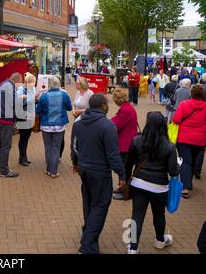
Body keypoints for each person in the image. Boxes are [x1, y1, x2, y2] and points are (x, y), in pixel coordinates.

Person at [70, 94, 126, 254]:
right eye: (107, 104)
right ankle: (87, 245)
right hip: (100, 172)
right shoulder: (108, 126)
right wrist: (121, 174)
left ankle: (89, 238)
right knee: (100, 205)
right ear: (103, 106)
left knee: (89, 203)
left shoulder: (79, 124)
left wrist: (75, 162)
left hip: (84, 169)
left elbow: (74, 146)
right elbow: (113, 154)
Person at [124, 111, 179, 254]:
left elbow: (128, 163)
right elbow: (173, 172)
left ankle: (133, 247)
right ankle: (160, 240)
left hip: (139, 183)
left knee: (137, 215)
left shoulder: (137, 140)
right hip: (159, 187)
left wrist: (125, 178)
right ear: (163, 126)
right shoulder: (169, 146)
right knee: (159, 215)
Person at [172, 84, 206, 198]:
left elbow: (176, 120)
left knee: (186, 161)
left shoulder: (184, 105)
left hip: (184, 138)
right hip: (200, 139)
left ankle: (185, 187)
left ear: (191, 93)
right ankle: (188, 183)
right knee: (193, 160)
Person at [36, 76, 72, 178]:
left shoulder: (44, 96)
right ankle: (53, 171)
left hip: (46, 126)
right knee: (56, 148)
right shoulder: (64, 95)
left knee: (48, 147)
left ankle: (49, 169)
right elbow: (69, 108)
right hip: (59, 126)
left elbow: (38, 111)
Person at [0, 73, 22, 178]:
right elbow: (14, 103)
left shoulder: (2, 84)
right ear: (18, 80)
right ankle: (4, 171)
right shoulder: (10, 87)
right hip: (6, 119)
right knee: (6, 145)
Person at [111, 88, 138, 200]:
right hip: (127, 143)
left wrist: (110, 120)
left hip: (125, 144)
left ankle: (125, 191)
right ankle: (123, 187)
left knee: (124, 168)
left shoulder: (125, 110)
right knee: (124, 167)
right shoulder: (127, 108)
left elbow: (116, 124)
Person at [16, 72, 37, 166]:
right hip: (23, 117)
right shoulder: (21, 90)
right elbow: (18, 101)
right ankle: (22, 158)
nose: (34, 84)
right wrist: (31, 98)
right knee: (23, 138)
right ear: (27, 82)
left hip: (30, 116)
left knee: (26, 138)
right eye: (32, 82)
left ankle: (24, 157)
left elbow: (33, 100)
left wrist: (36, 98)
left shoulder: (31, 89)